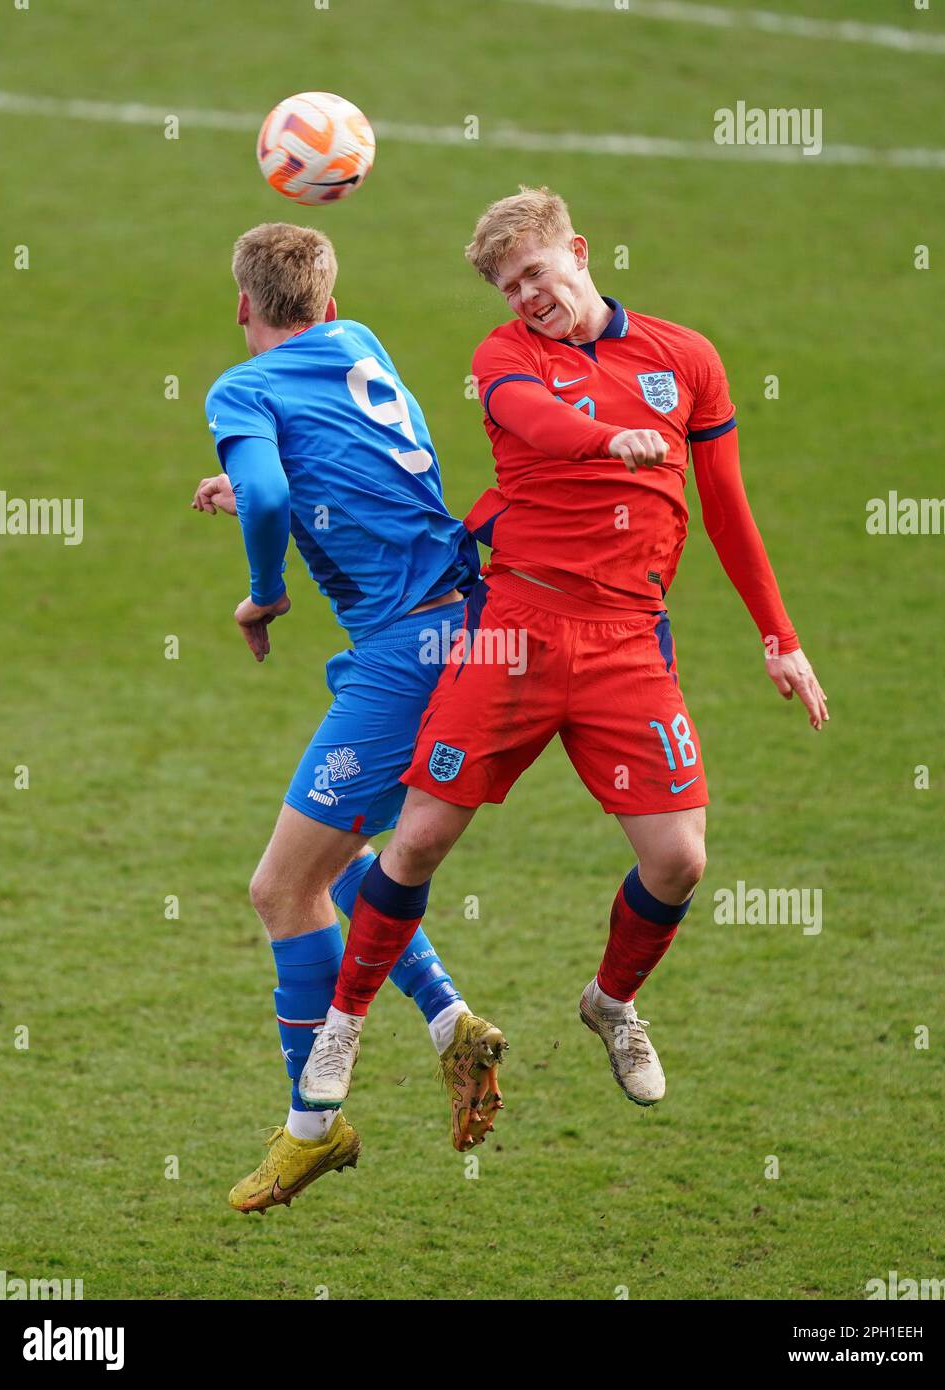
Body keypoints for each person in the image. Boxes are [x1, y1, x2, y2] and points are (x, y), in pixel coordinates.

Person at [302, 186, 828, 1123]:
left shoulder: (686, 359)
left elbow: (728, 508)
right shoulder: (505, 356)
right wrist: (605, 438)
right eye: (508, 287)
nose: (525, 298)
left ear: (579, 252)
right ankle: (345, 1021)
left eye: (535, 274)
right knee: (419, 838)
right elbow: (534, 420)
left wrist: (780, 640)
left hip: (628, 639)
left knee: (679, 859)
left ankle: (612, 1003)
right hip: (517, 627)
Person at [196, 221, 505, 1211]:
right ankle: (451, 1023)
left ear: (242, 306)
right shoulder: (361, 343)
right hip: (469, 624)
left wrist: (262, 588)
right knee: (344, 859)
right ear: (328, 302)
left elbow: (274, 489)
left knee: (282, 890)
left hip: (403, 655)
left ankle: (313, 1130)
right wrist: (247, 488)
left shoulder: (240, 389)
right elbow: (340, 461)